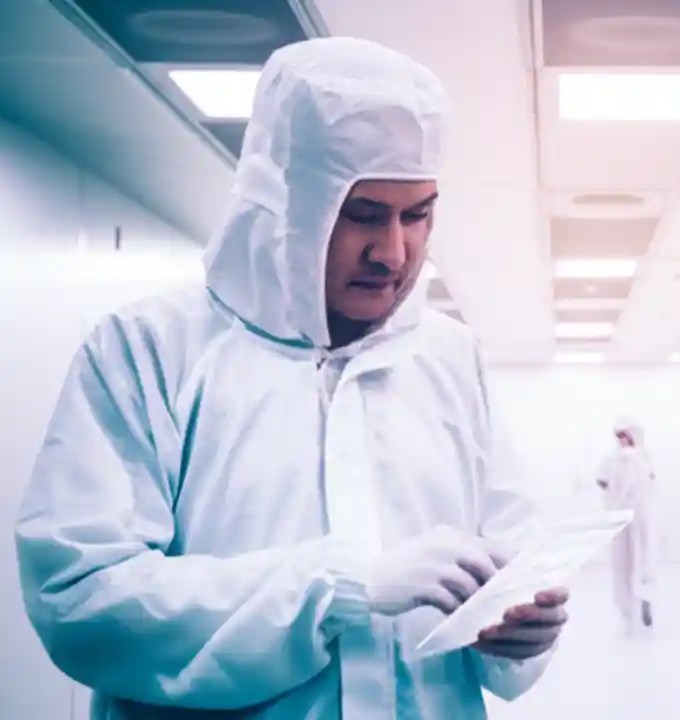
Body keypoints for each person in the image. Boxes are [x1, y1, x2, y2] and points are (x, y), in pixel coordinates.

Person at [13, 37, 566, 719]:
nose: (393, 252)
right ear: (280, 204)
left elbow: (510, 552)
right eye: (361, 215)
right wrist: (340, 587)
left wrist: (519, 628)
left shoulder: (449, 358)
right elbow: (83, 600)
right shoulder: (149, 351)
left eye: (417, 214)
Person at [596, 417, 656, 631]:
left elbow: (648, 483)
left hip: (638, 518)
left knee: (643, 561)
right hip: (620, 519)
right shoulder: (611, 460)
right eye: (619, 436)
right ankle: (627, 608)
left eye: (625, 435)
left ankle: (644, 600)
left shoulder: (643, 458)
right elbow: (602, 482)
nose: (622, 440)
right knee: (622, 564)